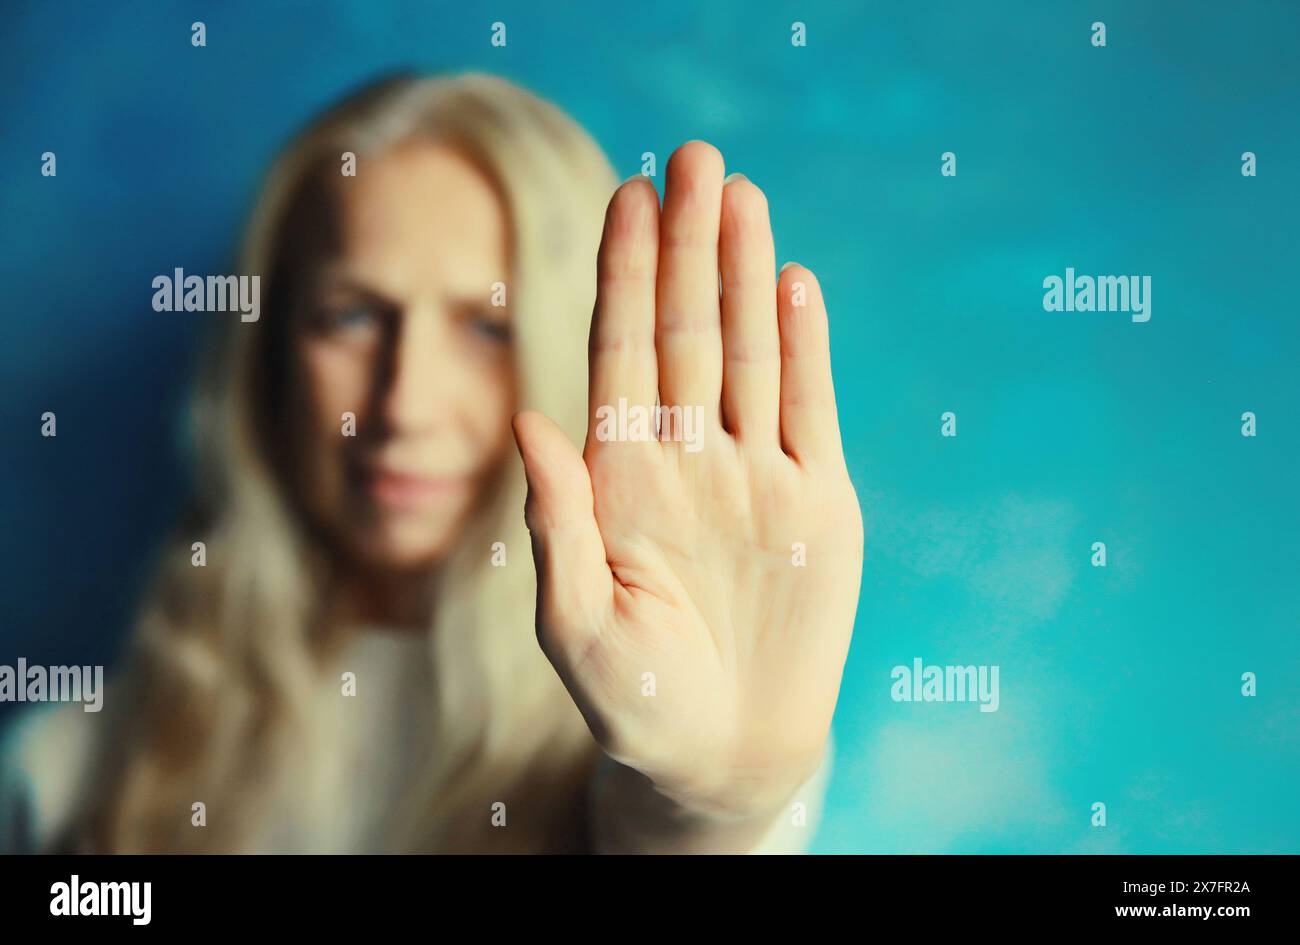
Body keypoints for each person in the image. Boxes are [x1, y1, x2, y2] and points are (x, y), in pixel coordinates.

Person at [0, 72, 863, 854]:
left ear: (582, 352)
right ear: (267, 357)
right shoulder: (70, 766)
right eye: (351, 316)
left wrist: (717, 798)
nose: (403, 403)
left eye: (486, 325)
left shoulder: (655, 731)